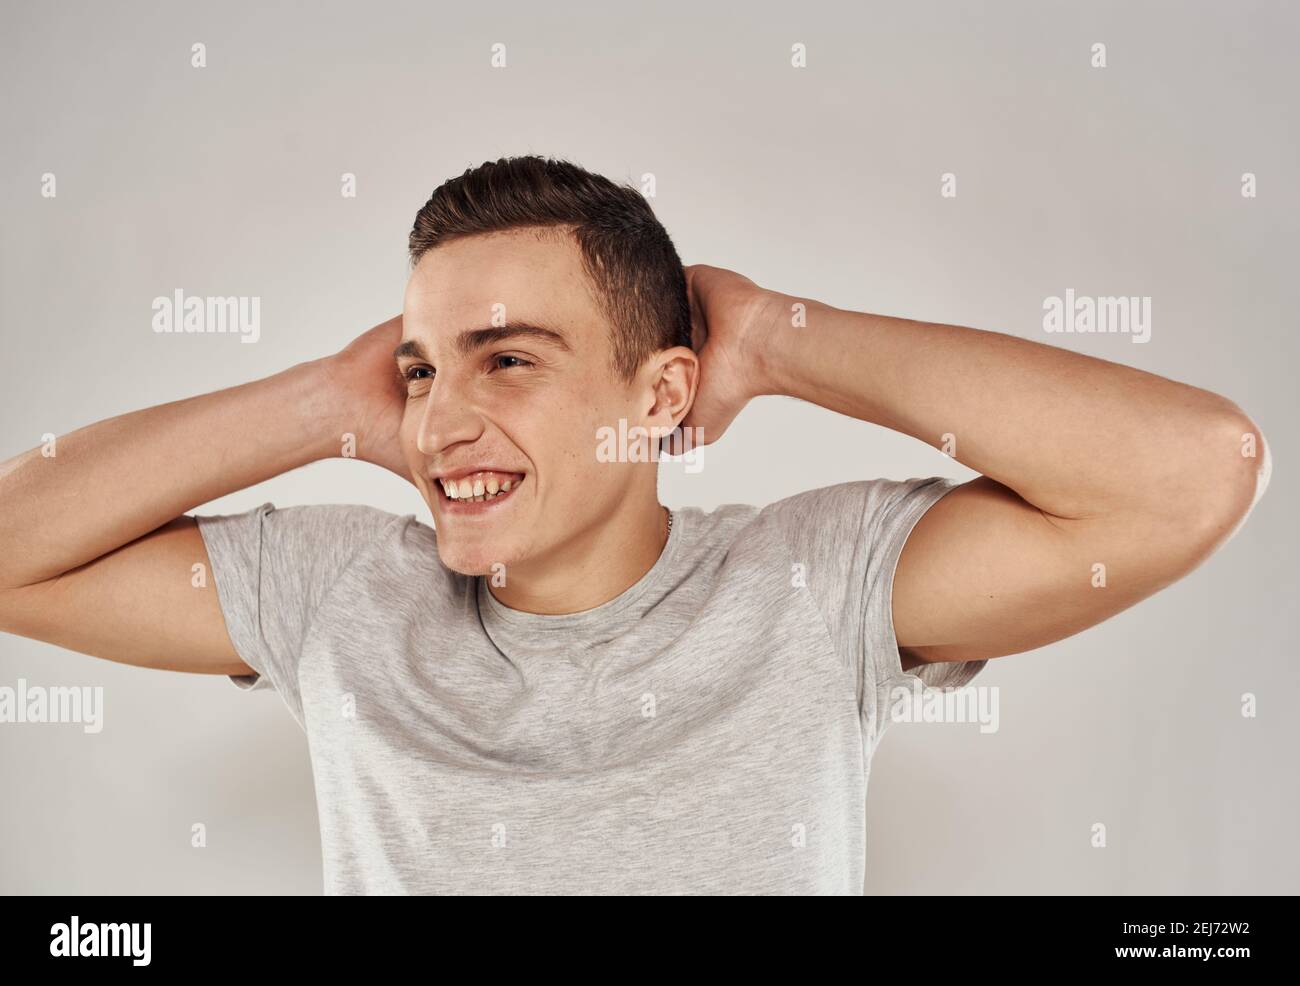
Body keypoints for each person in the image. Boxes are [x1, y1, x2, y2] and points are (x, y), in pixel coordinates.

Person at [0, 155, 1270, 894]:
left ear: (657, 391)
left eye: (508, 361)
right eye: (423, 368)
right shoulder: (340, 591)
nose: (440, 422)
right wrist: (325, 400)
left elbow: (1190, 472)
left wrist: (771, 338)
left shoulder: (807, 585)